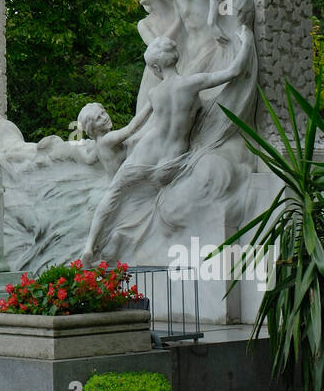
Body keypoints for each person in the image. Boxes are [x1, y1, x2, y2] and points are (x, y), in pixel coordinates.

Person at [84, 26, 253, 258]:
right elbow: (234, 71)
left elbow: (135, 126)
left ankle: (89, 246)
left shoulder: (155, 94)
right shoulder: (192, 83)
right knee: (145, 201)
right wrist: (247, 41)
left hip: (145, 155)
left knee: (114, 193)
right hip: (173, 161)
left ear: (156, 67)